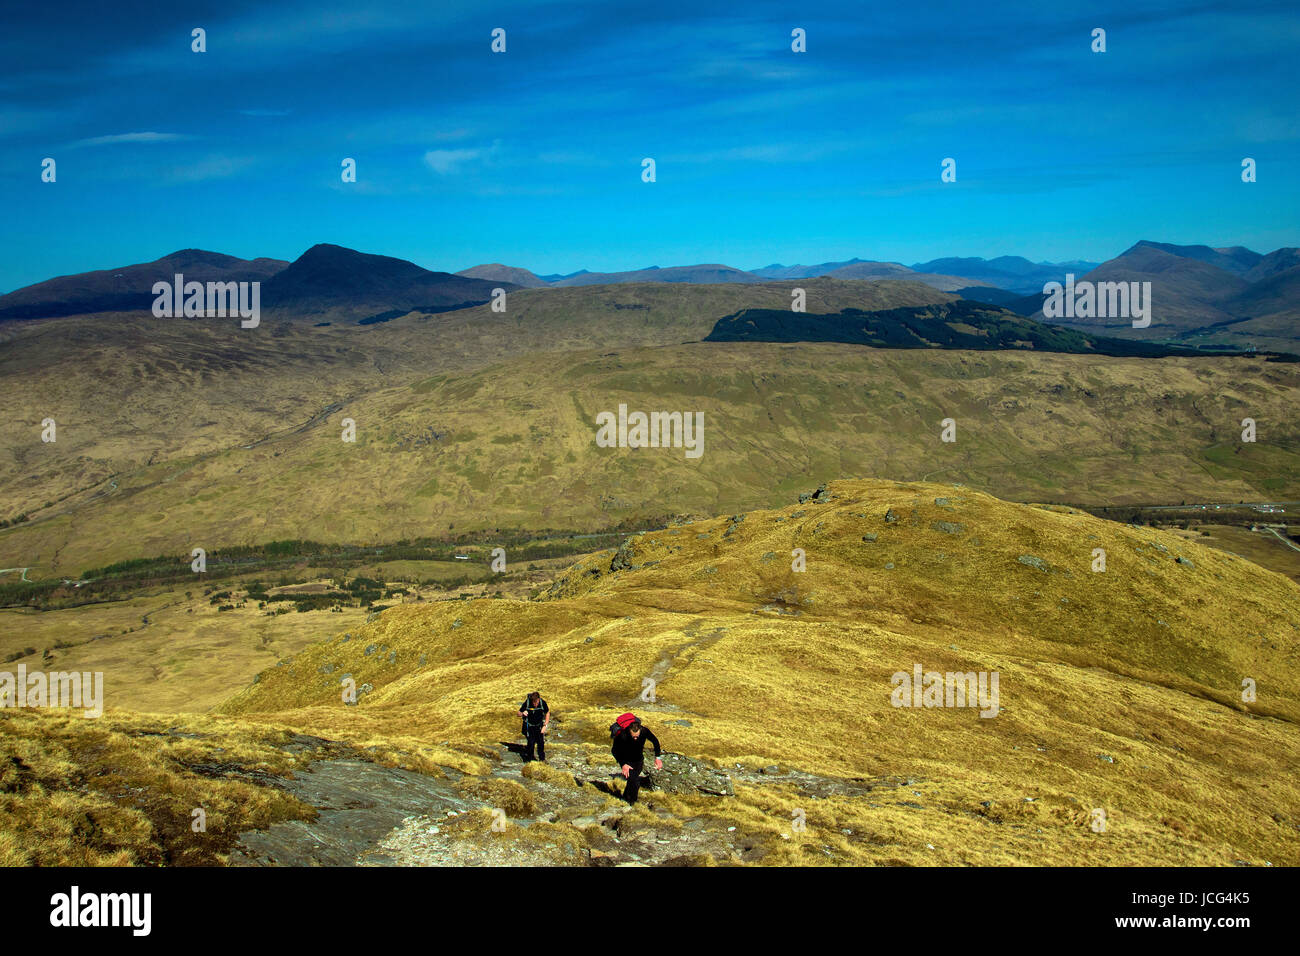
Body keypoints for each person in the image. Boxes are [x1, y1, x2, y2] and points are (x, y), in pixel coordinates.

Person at [610, 714, 662, 804]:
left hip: (639, 760)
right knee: (636, 781)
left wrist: (658, 758)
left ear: (640, 730)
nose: (635, 738)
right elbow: (614, 750)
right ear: (629, 730)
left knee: (632, 781)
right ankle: (632, 803)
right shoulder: (622, 735)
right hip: (627, 761)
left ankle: (625, 798)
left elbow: (655, 741)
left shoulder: (644, 731)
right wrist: (623, 764)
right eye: (633, 736)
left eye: (637, 736)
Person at [517, 691, 550, 762]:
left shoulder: (542, 703)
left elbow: (547, 712)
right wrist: (522, 713)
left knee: (541, 743)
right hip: (530, 726)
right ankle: (530, 759)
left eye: (536, 702)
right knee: (531, 743)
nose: (535, 704)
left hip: (539, 726)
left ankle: (542, 759)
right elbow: (518, 713)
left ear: (539, 699)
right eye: (534, 702)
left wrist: (545, 725)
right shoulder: (527, 703)